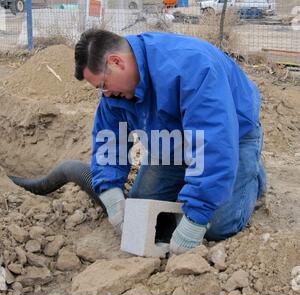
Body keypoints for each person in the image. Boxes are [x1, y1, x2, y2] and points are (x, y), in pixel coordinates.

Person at [74, 29, 266, 255]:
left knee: (217, 226)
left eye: (103, 85)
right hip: (169, 141)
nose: (104, 94)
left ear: (116, 62)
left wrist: (195, 219)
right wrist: (109, 190)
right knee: (140, 212)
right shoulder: (114, 94)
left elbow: (213, 144)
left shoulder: (192, 67)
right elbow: (109, 139)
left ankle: (251, 173)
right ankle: (196, 181)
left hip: (232, 137)